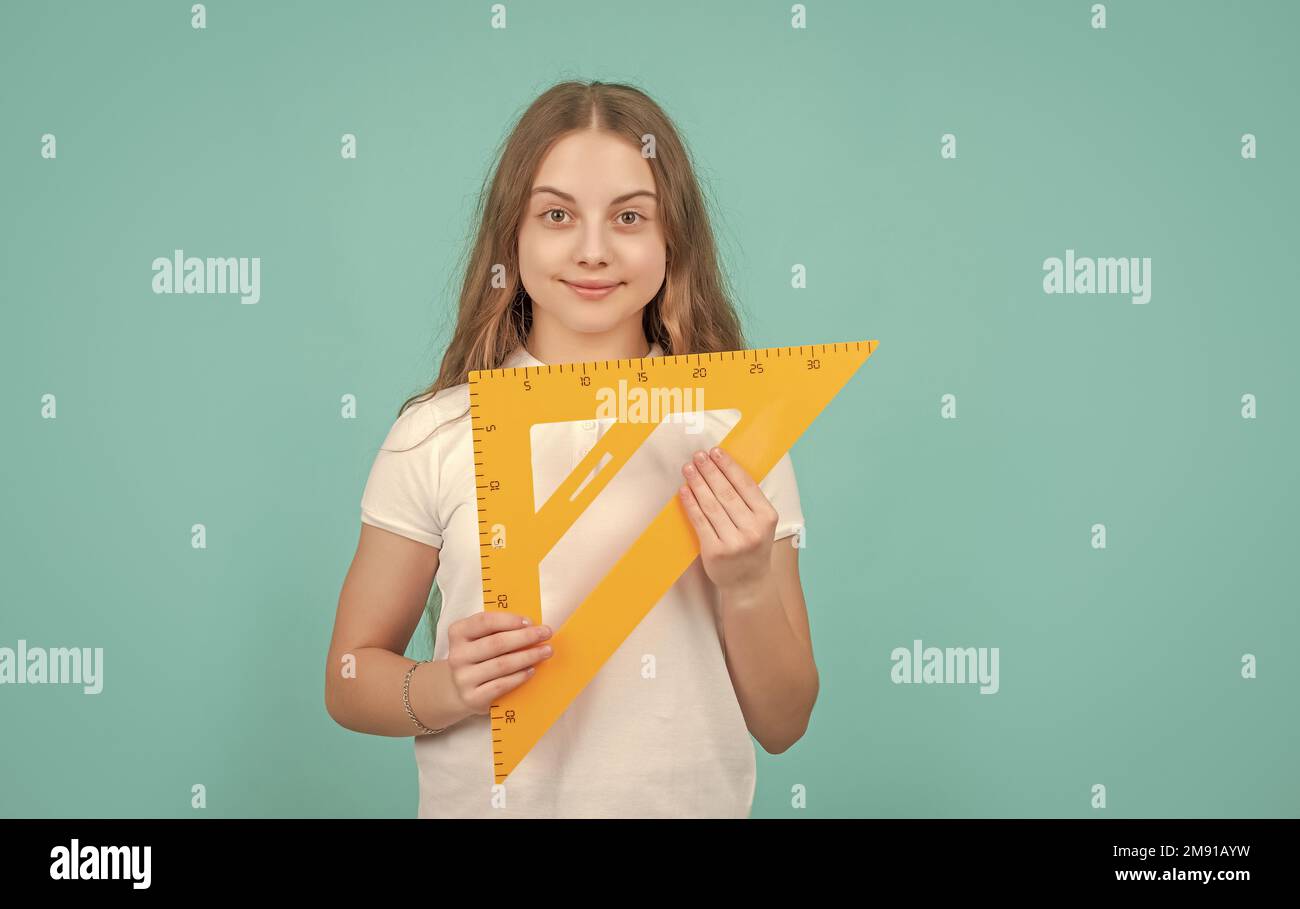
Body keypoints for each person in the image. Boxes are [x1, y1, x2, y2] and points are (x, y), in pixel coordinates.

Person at [324, 80, 818, 818]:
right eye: (557, 214)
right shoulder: (437, 433)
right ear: (511, 237)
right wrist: (444, 686)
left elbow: (784, 722)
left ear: (671, 239)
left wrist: (746, 584)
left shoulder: (734, 432)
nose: (593, 250)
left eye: (628, 216)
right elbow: (348, 675)